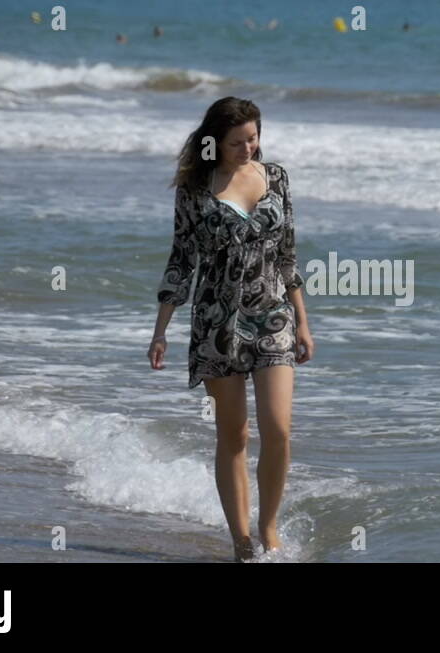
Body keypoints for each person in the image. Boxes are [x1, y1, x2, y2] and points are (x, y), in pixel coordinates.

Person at [149, 97, 314, 562]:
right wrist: (161, 329)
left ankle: (269, 529)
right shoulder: (195, 188)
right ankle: (241, 541)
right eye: (238, 141)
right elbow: (181, 260)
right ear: (215, 142)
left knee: (278, 429)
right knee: (234, 436)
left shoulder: (276, 178)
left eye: (254, 138)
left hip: (273, 316)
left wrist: (303, 321)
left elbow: (288, 256)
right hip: (217, 322)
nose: (249, 148)